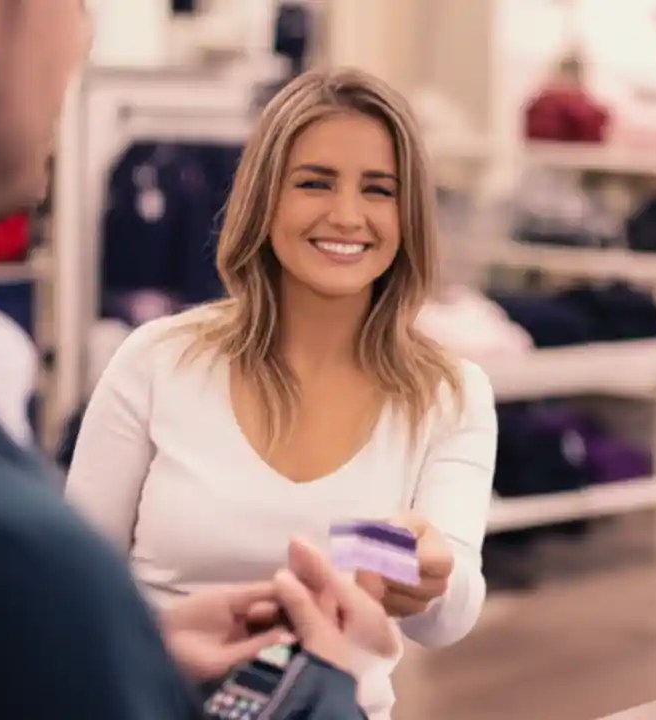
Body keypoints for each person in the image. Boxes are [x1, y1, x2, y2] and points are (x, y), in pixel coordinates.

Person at [0, 1, 393, 716]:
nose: (85, 35)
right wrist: (319, 693)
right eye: (76, 3)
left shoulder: (442, 391)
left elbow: (445, 597)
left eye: (377, 189)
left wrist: (131, 648)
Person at [65, 67, 499, 718]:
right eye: (314, 183)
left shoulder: (450, 393)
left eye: (378, 190)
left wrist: (431, 578)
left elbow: (444, 619)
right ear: (265, 197)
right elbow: (72, 593)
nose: (347, 215)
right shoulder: (158, 362)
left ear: (406, 217)